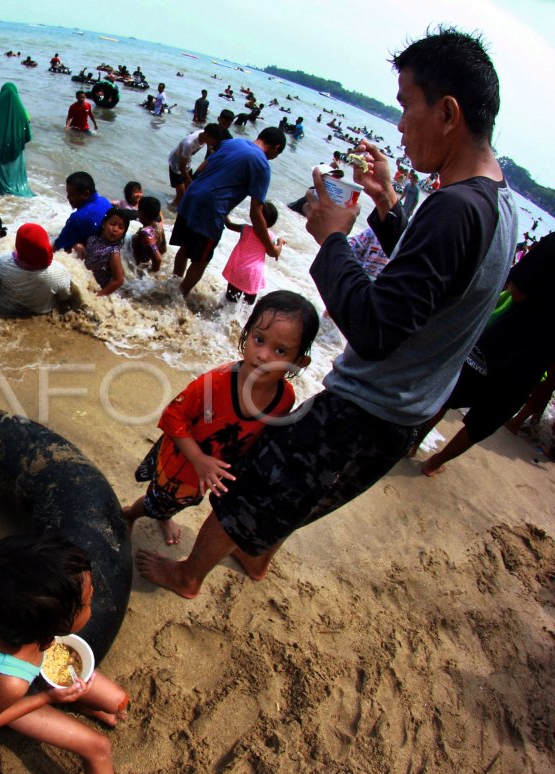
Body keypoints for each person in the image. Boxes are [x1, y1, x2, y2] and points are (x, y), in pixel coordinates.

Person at [138, 28, 518, 599]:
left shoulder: (454, 209)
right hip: (411, 408)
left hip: (368, 406)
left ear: (446, 112)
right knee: (302, 491)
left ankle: (189, 576)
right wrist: (389, 208)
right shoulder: (496, 200)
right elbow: (438, 282)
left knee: (256, 486)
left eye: (405, 105)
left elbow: (374, 329)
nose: (399, 124)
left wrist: (332, 239)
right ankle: (258, 561)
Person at [126, 291, 316, 545]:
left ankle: (164, 515)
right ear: (246, 335)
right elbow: (173, 416)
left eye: (280, 350)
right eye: (259, 339)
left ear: (299, 363)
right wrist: (198, 458)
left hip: (212, 470)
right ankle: (130, 514)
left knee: (182, 501)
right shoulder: (216, 384)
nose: (263, 355)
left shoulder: (284, 398)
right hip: (183, 461)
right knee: (157, 500)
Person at [0, 534, 129, 774]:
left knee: (117, 701)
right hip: (2, 701)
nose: (94, 594)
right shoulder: (9, 684)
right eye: (87, 602)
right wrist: (47, 699)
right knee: (98, 747)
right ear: (54, 628)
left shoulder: (2, 602)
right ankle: (63, 703)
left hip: (25, 669)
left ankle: (75, 704)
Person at [408, 233, 555, 476]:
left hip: (505, 337)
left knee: (451, 393)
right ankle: (434, 464)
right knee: (484, 421)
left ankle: (412, 443)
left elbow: (517, 291)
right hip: (534, 362)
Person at [170, 126, 285, 297]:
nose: (274, 158)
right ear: (276, 148)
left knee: (186, 247)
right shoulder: (262, 164)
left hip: (191, 197)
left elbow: (201, 170)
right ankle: (179, 296)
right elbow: (256, 213)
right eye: (277, 154)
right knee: (201, 259)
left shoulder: (231, 143)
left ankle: (173, 283)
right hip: (211, 209)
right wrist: (271, 248)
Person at [0, 223, 71, 317]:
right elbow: (64, 298)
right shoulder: (59, 272)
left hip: (7, 311)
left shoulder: (2, 262)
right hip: (40, 315)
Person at [221, 202, 284, 304]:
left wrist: (223, 209)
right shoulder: (270, 237)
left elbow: (229, 225)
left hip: (238, 269)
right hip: (253, 275)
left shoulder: (245, 229)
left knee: (229, 301)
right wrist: (280, 242)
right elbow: (274, 253)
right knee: (246, 306)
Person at [53, 172, 111, 253]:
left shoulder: (78, 218)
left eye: (72, 195)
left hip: (95, 256)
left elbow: (58, 246)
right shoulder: (104, 201)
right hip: (108, 249)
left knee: (75, 248)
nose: (68, 197)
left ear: (86, 194)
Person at [167, 125, 222, 209]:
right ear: (207, 135)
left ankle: (175, 206)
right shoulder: (190, 143)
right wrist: (189, 181)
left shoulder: (203, 136)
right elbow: (182, 167)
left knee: (186, 192)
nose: (214, 144)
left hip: (187, 163)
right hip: (176, 164)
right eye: (213, 141)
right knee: (182, 194)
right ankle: (170, 209)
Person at [78, 208, 127, 297]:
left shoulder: (113, 253)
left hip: (96, 287)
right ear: (104, 224)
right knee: (77, 246)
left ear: (123, 233)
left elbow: (119, 280)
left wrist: (99, 295)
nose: (115, 229)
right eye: (112, 224)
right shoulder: (92, 239)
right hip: (84, 278)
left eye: (121, 227)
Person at [131, 196, 167, 272]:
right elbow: (163, 250)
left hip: (139, 267)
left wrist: (151, 274)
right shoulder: (159, 227)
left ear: (141, 213)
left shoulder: (145, 233)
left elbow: (158, 259)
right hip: (145, 262)